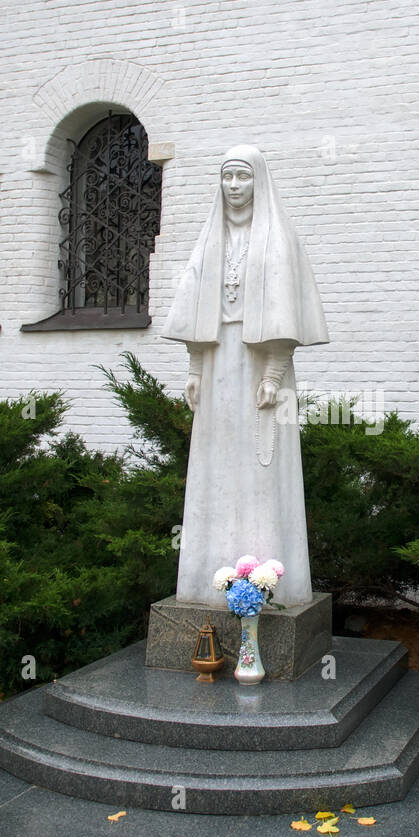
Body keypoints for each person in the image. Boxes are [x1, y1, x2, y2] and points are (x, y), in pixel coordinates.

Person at [163, 145, 329, 607]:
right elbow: (197, 311)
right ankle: (210, 578)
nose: (234, 186)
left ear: (259, 181)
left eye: (243, 176)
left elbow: (286, 315)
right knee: (216, 464)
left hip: (260, 366)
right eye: (227, 176)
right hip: (218, 363)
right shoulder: (210, 239)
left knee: (261, 466)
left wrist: (273, 373)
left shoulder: (279, 238)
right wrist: (195, 368)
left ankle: (265, 578)